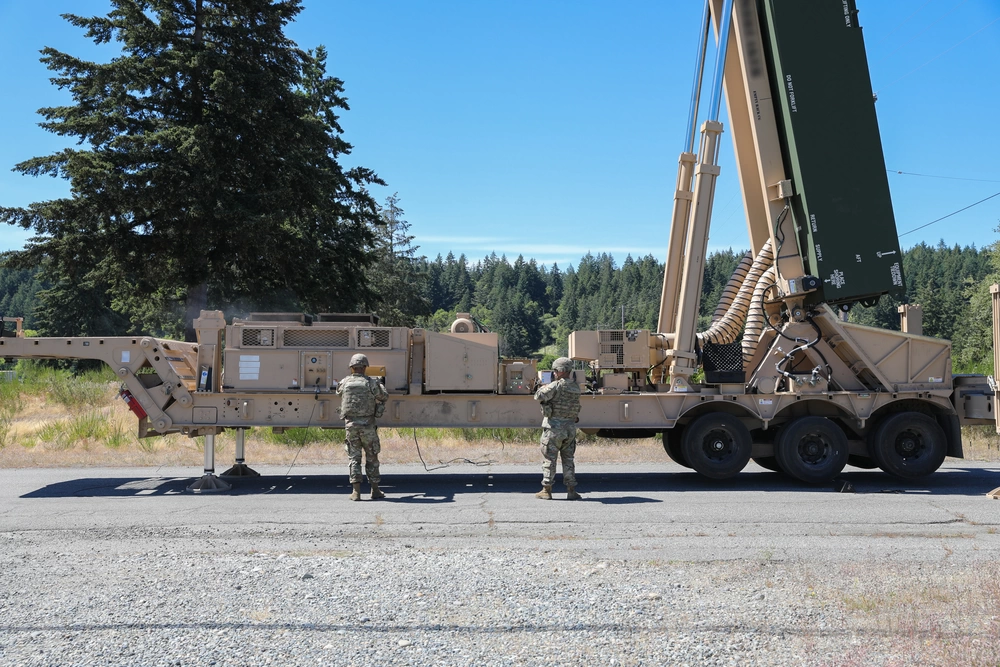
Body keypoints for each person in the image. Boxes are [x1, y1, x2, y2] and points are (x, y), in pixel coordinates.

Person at [337, 353, 389, 501]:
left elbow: (338, 393)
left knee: (354, 457)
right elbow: (384, 396)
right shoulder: (371, 383)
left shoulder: (344, 382)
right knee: (371, 457)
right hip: (367, 426)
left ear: (352, 368)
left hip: (351, 426)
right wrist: (380, 384)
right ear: (365, 367)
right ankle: (375, 490)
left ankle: (356, 492)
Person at [533, 357, 582, 500]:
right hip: (570, 429)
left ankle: (546, 490)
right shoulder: (575, 387)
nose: (554, 373)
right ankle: (571, 490)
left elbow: (538, 396)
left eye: (555, 370)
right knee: (568, 459)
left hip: (554, 428)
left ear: (559, 371)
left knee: (549, 459)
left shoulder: (556, 386)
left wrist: (542, 386)